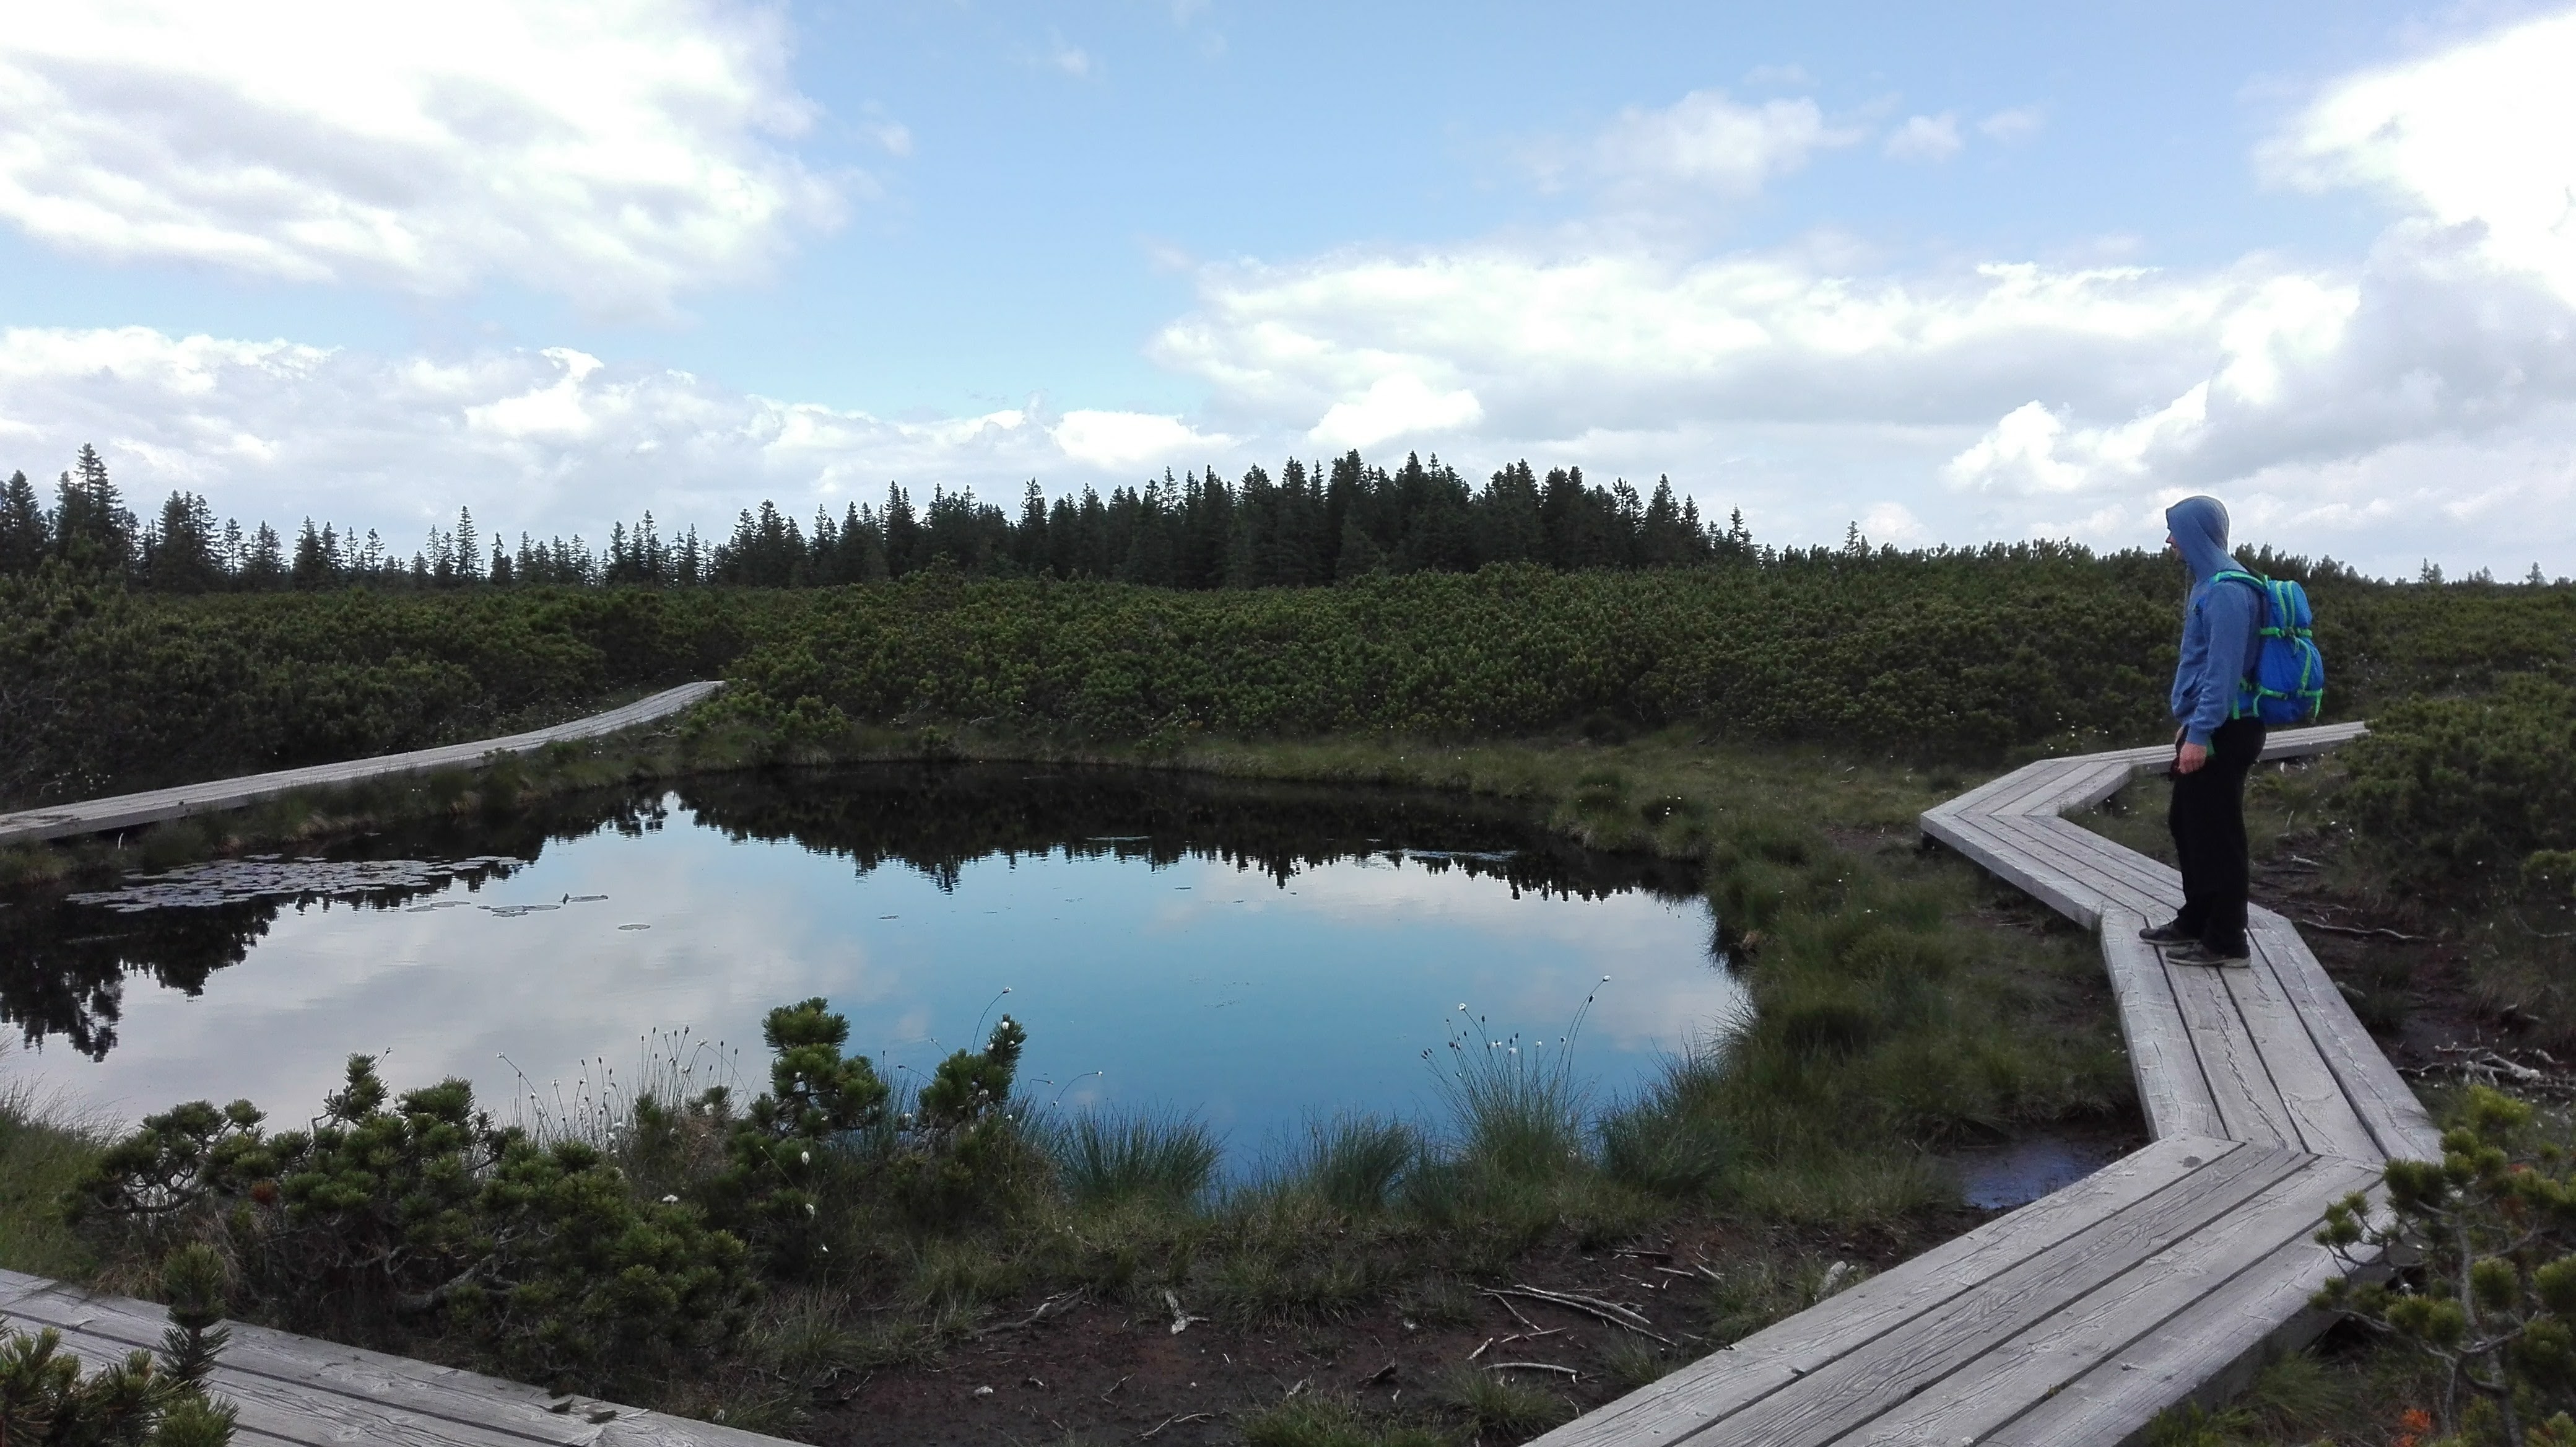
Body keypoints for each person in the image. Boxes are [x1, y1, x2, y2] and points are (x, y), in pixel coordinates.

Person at [2141, 495, 2266, 966]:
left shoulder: (2229, 591)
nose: (2170, 540)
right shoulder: (2210, 586)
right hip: (2210, 726)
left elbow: (2223, 671)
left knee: (2219, 835)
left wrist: (2200, 735)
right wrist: (2189, 726)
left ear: (2197, 532)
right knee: (2188, 824)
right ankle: (2195, 920)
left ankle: (2227, 940)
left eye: (2175, 530)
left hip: (2228, 730)